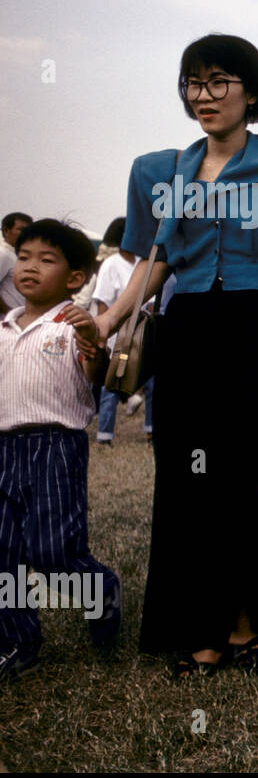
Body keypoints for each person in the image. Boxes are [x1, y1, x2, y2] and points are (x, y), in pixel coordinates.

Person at [94, 34, 258, 677]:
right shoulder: (160, 170)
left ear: (252, 92)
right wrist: (108, 320)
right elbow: (152, 267)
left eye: (218, 82)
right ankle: (202, 631)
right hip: (188, 333)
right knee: (185, 485)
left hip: (255, 328)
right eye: (193, 84)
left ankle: (243, 620)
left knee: (235, 481)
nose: (202, 97)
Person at [0, 220, 121, 680]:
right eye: (24, 256)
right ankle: (18, 641)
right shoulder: (5, 327)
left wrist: (92, 342)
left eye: (46, 260)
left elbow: (96, 375)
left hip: (54, 446)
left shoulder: (74, 325)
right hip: (3, 446)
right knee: (3, 552)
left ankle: (102, 590)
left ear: (75, 278)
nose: (30, 267)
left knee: (52, 551)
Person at [90, 218, 153, 446]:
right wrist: (104, 337)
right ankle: (104, 435)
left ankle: (150, 430)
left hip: (143, 334)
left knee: (152, 384)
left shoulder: (144, 263)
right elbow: (103, 304)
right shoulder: (111, 265)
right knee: (113, 385)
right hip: (119, 337)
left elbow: (151, 302)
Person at [0, 212, 34, 316]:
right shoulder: (3, 254)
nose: (26, 235)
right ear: (6, 230)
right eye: (21, 230)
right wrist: (8, 312)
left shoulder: (16, 255)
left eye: (28, 231)